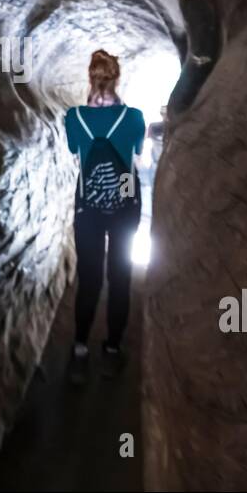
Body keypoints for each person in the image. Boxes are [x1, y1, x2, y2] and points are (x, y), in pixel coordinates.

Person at [63, 49, 145, 385]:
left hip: (89, 208)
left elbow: (73, 149)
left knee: (90, 280)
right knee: (120, 279)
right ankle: (111, 350)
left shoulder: (74, 117)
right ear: (117, 79)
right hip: (126, 204)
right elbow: (137, 151)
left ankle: (80, 351)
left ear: (90, 77)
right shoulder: (135, 117)